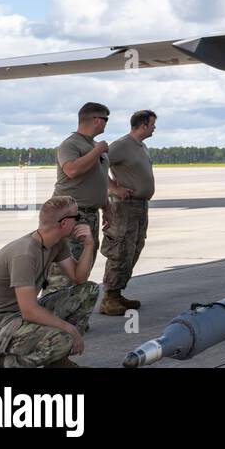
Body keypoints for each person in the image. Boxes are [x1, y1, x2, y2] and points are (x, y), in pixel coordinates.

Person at [0, 195, 99, 368]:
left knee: (88, 291)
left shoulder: (57, 243)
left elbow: (78, 278)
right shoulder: (25, 254)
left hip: (19, 315)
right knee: (62, 339)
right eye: (77, 217)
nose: (80, 222)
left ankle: (59, 362)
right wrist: (70, 329)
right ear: (64, 223)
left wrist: (89, 244)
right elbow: (29, 311)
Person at [100, 109, 156, 315]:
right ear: (143, 125)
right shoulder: (122, 145)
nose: (154, 128)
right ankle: (109, 298)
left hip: (139, 206)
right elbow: (98, 166)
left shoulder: (141, 146)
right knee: (120, 249)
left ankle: (117, 293)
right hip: (124, 207)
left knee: (134, 248)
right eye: (152, 124)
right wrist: (114, 188)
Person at [48, 102, 111, 288]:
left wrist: (106, 207)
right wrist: (97, 150)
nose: (106, 124)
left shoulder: (92, 145)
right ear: (97, 120)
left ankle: (70, 312)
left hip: (90, 214)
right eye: (106, 119)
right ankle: (51, 312)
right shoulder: (71, 144)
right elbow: (72, 170)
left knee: (83, 266)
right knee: (64, 271)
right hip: (71, 216)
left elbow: (99, 179)